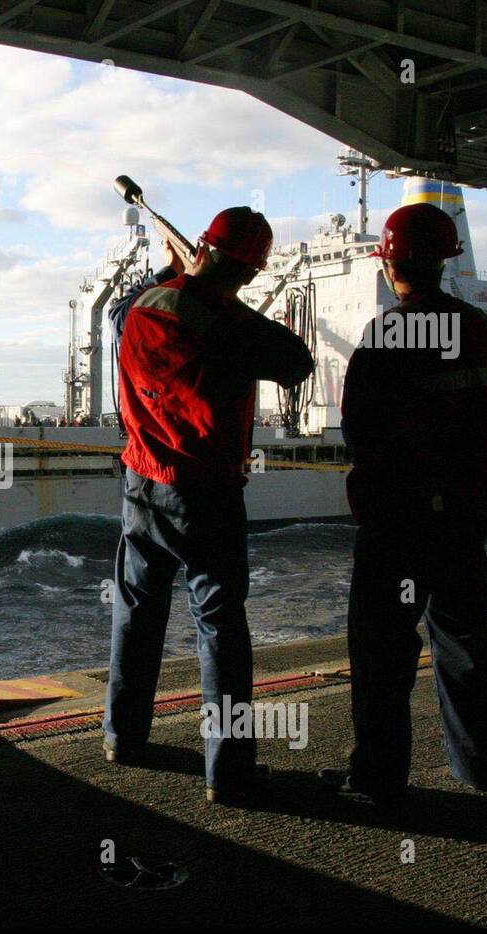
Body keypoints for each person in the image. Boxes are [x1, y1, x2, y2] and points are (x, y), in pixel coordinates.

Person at [104, 208, 314, 805]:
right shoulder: (228, 324)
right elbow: (295, 362)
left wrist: (185, 275)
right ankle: (228, 773)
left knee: (136, 612)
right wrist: (221, 295)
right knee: (220, 626)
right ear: (249, 273)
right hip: (208, 494)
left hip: (141, 486)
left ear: (200, 247)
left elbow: (126, 309)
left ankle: (124, 737)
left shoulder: (141, 308)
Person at [319, 201, 487, 806]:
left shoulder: (384, 339)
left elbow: (362, 433)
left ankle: (378, 779)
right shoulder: (479, 329)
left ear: (389, 265)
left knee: (382, 653)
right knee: (463, 643)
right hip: (463, 520)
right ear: (444, 263)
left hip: (397, 524)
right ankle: (480, 766)